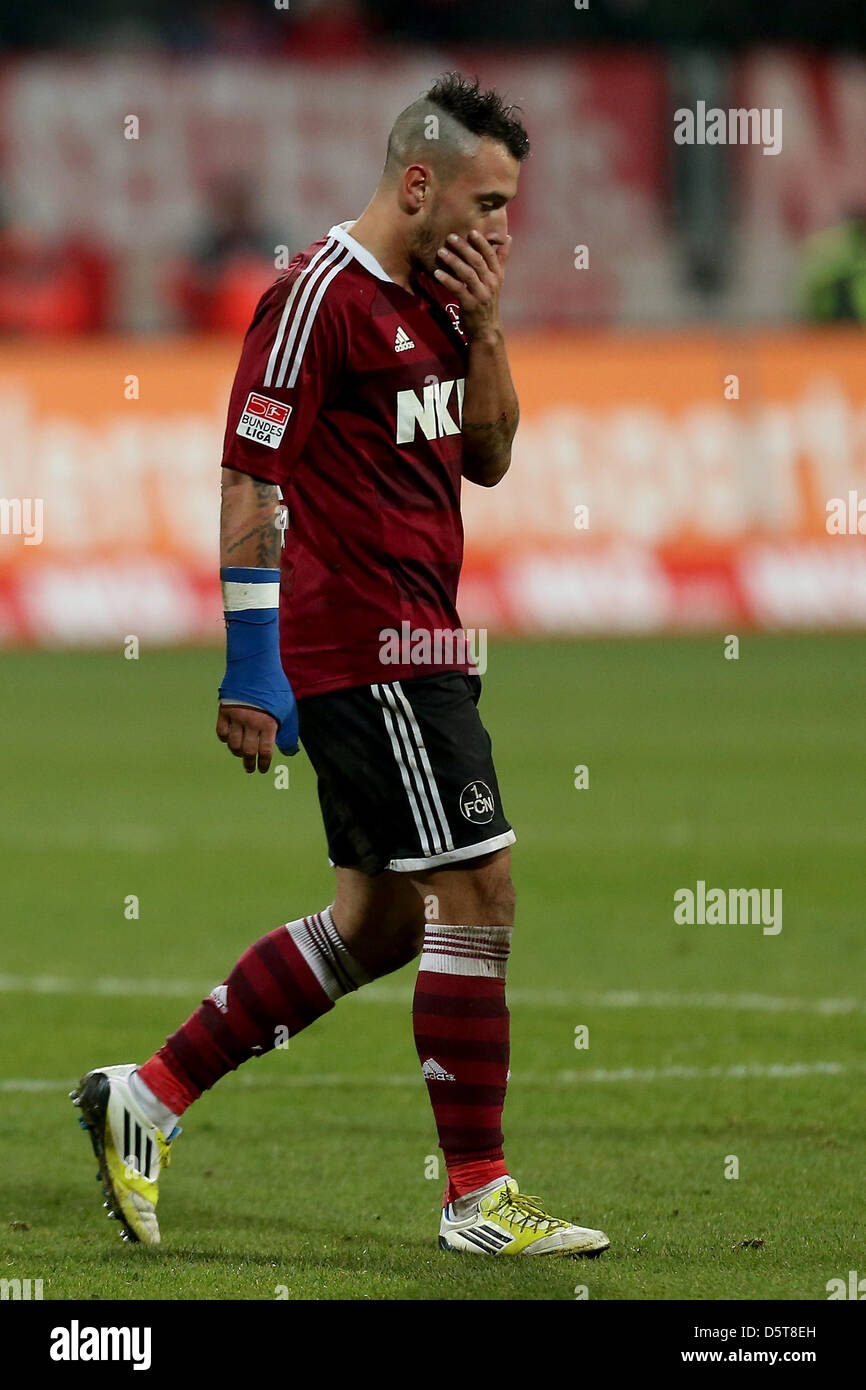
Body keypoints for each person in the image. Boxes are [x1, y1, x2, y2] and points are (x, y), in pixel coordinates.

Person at [71, 72, 610, 1260]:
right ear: (416, 184)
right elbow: (249, 474)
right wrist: (250, 662)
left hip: (427, 633)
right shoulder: (317, 297)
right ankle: (476, 1194)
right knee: (480, 887)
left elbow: (490, 459)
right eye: (485, 201)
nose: (498, 228)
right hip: (368, 645)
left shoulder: (439, 303)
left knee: (379, 923)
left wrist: (490, 328)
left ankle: (146, 1094)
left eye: (510, 207)